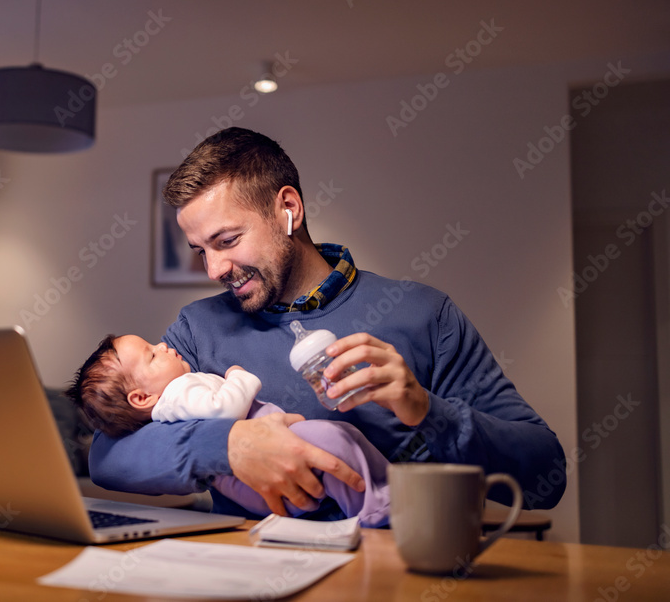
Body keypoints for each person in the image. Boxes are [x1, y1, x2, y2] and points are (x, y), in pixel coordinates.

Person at [88, 127, 566, 519]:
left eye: (227, 240)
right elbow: (107, 457)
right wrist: (228, 444)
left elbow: (546, 474)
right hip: (247, 579)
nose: (213, 271)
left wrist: (426, 410)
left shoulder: (425, 315)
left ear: (288, 209)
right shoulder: (199, 329)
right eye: (201, 251)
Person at [66, 334, 391, 526]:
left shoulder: (173, 389)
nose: (163, 344)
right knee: (333, 441)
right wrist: (238, 378)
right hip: (254, 484)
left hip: (263, 484)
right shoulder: (176, 394)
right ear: (141, 398)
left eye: (228, 240)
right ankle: (375, 512)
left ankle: (386, 498)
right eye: (152, 354)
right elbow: (225, 409)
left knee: (341, 439)